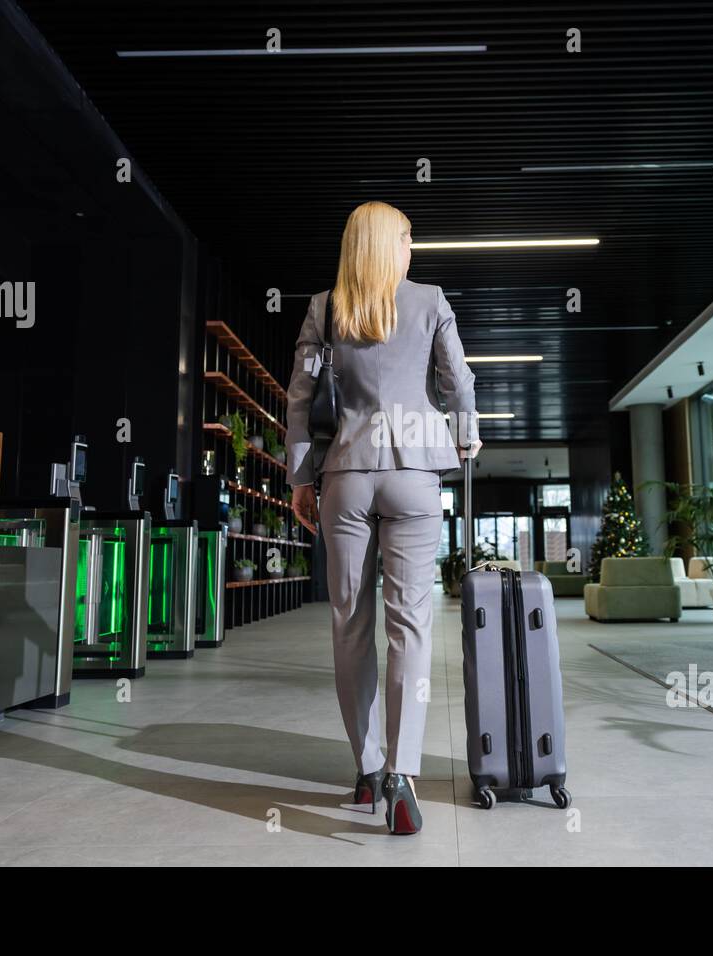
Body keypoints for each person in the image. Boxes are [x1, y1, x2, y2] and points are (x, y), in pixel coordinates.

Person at [284, 200, 480, 835]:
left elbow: (300, 400)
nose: (413, 250)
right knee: (411, 628)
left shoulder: (324, 307)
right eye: (408, 239)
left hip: (345, 477)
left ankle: (367, 768)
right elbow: (459, 383)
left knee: (349, 623)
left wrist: (299, 476)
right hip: (416, 478)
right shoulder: (430, 301)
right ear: (391, 245)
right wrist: (466, 434)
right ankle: (402, 773)